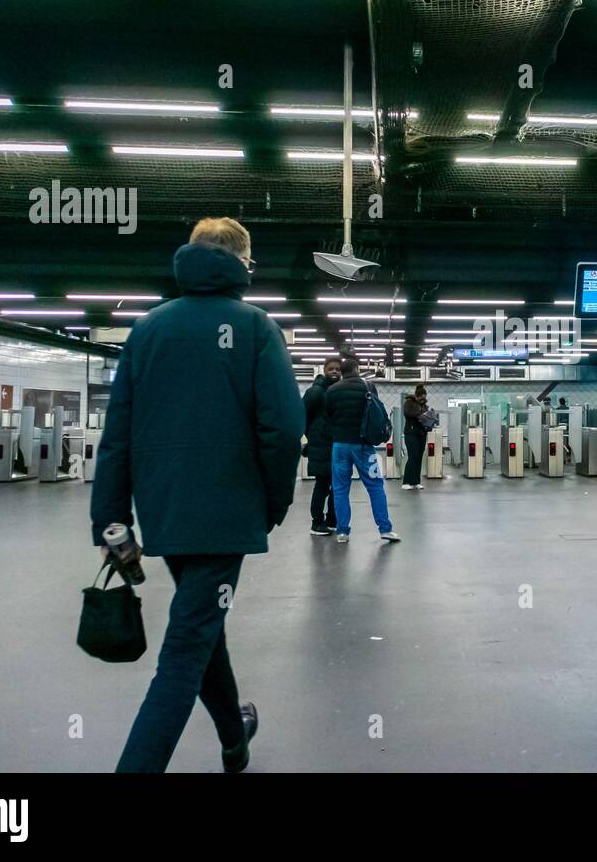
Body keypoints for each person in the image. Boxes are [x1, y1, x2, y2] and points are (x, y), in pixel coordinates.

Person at [91, 216, 303, 773]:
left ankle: (235, 735)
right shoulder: (256, 328)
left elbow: (117, 437)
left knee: (200, 622)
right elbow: (282, 428)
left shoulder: (147, 330)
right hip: (227, 515)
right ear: (243, 264)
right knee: (183, 654)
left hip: (163, 514)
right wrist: (273, 504)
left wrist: (111, 523)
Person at [325, 358, 401, 544]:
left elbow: (328, 418)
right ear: (357, 369)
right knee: (375, 487)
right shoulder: (368, 387)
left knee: (340, 489)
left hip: (340, 447)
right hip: (364, 446)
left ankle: (342, 531)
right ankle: (385, 529)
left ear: (341, 372)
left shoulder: (332, 391)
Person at [303, 356, 342, 535]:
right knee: (322, 484)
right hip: (321, 445)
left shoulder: (336, 391)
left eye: (338, 369)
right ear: (324, 370)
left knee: (336, 484)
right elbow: (303, 416)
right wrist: (312, 437)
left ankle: (332, 519)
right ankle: (317, 522)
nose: (335, 372)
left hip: (334, 444)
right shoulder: (316, 392)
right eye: (331, 369)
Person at [402, 384, 429, 489]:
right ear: (417, 396)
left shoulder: (424, 406)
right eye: (421, 398)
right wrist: (421, 414)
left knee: (419, 458)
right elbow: (407, 413)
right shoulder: (409, 403)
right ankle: (406, 482)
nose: (423, 400)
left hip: (422, 434)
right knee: (412, 457)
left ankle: (416, 481)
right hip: (411, 434)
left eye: (424, 397)